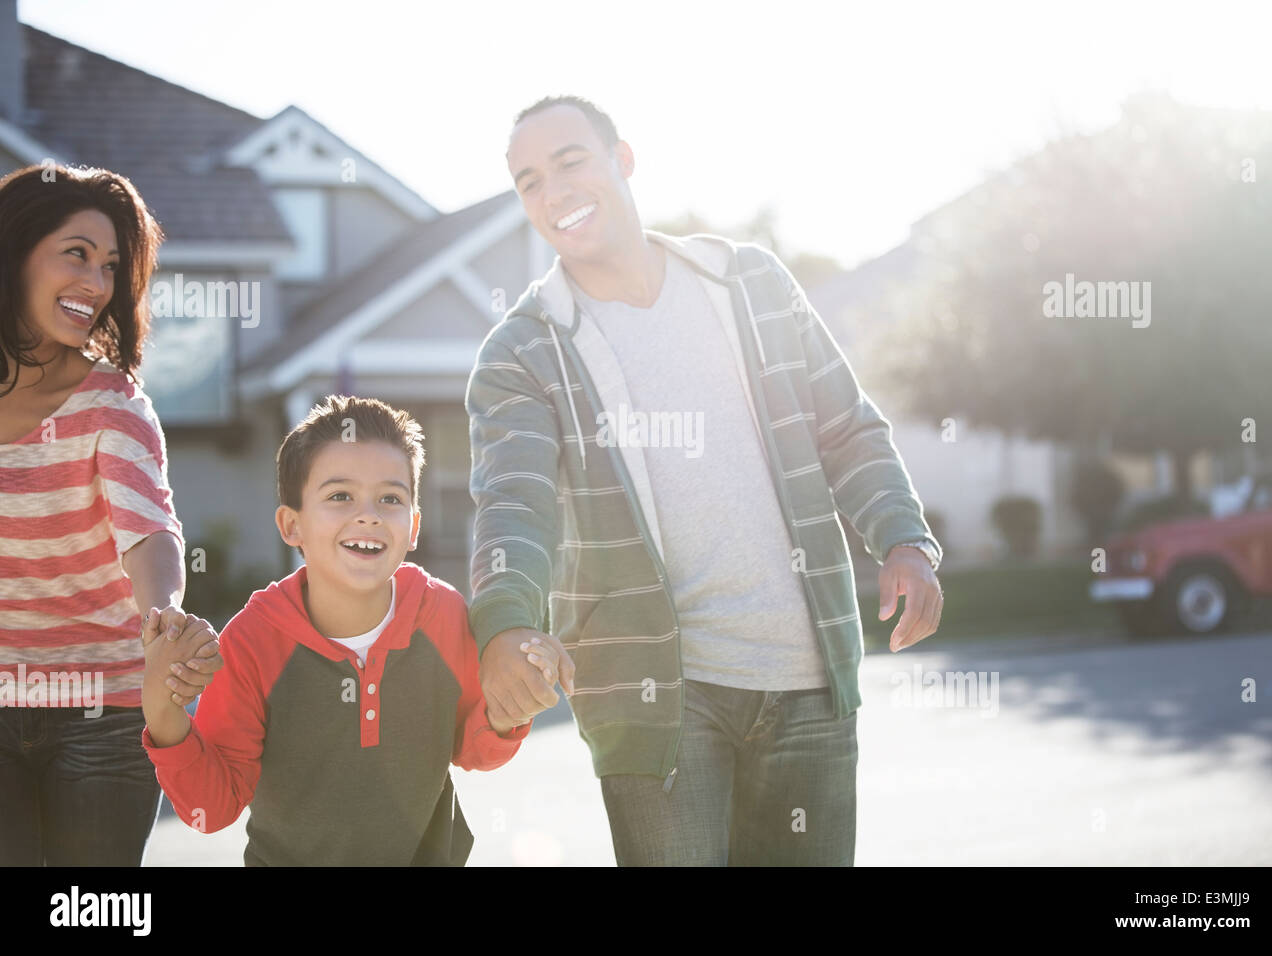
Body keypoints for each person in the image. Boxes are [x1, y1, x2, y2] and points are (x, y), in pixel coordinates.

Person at [466, 96, 945, 866]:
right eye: (528, 182)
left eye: (569, 163)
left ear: (623, 160)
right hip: (655, 703)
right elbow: (513, 504)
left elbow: (846, 428)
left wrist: (904, 539)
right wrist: (505, 622)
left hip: (810, 682)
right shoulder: (523, 350)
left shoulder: (749, 283)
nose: (551, 192)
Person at [141, 395, 535, 865]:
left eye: (390, 498)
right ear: (292, 525)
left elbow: (475, 750)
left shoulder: (444, 615)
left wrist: (511, 708)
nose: (367, 514)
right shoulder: (252, 642)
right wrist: (163, 715)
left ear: (413, 526)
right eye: (339, 496)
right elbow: (213, 807)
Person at [0, 164, 222, 866]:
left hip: (105, 712)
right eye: (76, 253)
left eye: (110, 266)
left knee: (90, 915)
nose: (96, 285)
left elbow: (149, 529)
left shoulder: (113, 402)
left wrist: (164, 619)